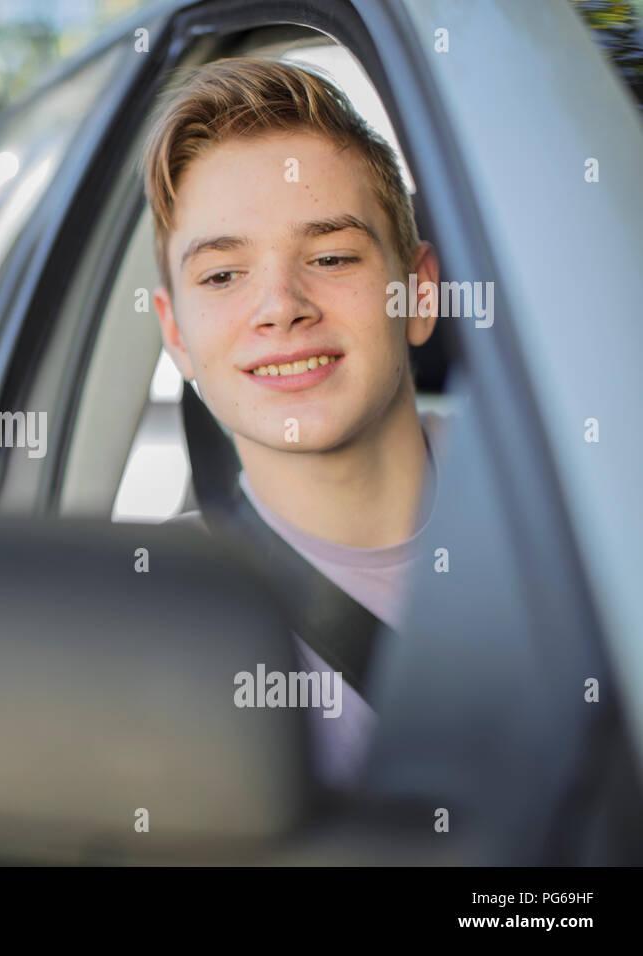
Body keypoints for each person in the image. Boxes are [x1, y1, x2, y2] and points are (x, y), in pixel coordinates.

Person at [140, 59, 445, 786]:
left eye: (332, 256)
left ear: (420, 294)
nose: (281, 305)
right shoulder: (147, 619)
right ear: (176, 333)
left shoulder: (583, 518)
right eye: (221, 275)